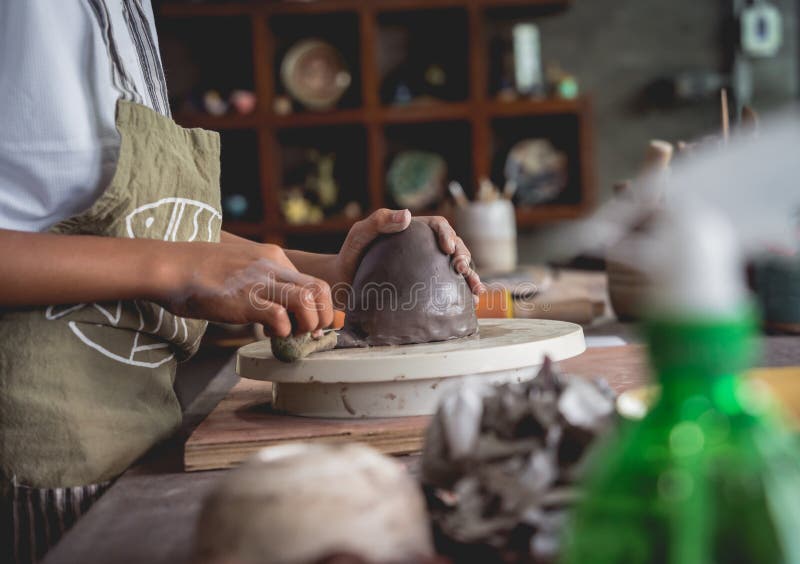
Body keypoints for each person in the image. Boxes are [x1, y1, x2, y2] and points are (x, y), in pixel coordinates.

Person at [0, 2, 483, 562]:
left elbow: (123, 223)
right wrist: (179, 270)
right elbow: (159, 253)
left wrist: (333, 274)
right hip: (36, 458)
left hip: (140, 436)